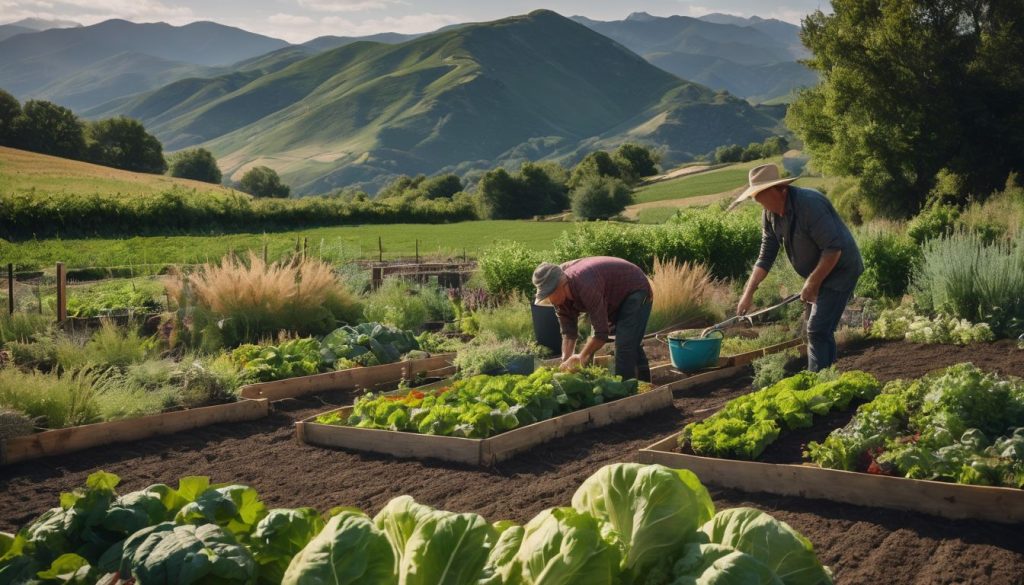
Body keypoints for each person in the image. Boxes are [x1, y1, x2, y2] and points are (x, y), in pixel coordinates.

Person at [731, 164, 863, 371]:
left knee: (817, 329)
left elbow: (833, 249)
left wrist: (812, 283)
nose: (762, 206)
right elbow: (766, 256)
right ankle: (829, 380)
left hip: (840, 270)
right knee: (819, 330)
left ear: (780, 190)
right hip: (818, 272)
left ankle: (817, 383)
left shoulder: (809, 204)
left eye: (763, 199)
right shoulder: (770, 214)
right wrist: (748, 293)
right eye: (758, 200)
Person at [532, 257, 653, 382]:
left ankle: (627, 393)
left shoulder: (585, 284)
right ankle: (645, 384)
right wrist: (565, 362)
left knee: (624, 345)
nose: (549, 300)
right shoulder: (561, 300)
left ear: (560, 285)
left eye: (549, 294)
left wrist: (581, 356)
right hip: (610, 296)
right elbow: (568, 333)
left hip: (634, 288)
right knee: (628, 341)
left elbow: (601, 334)